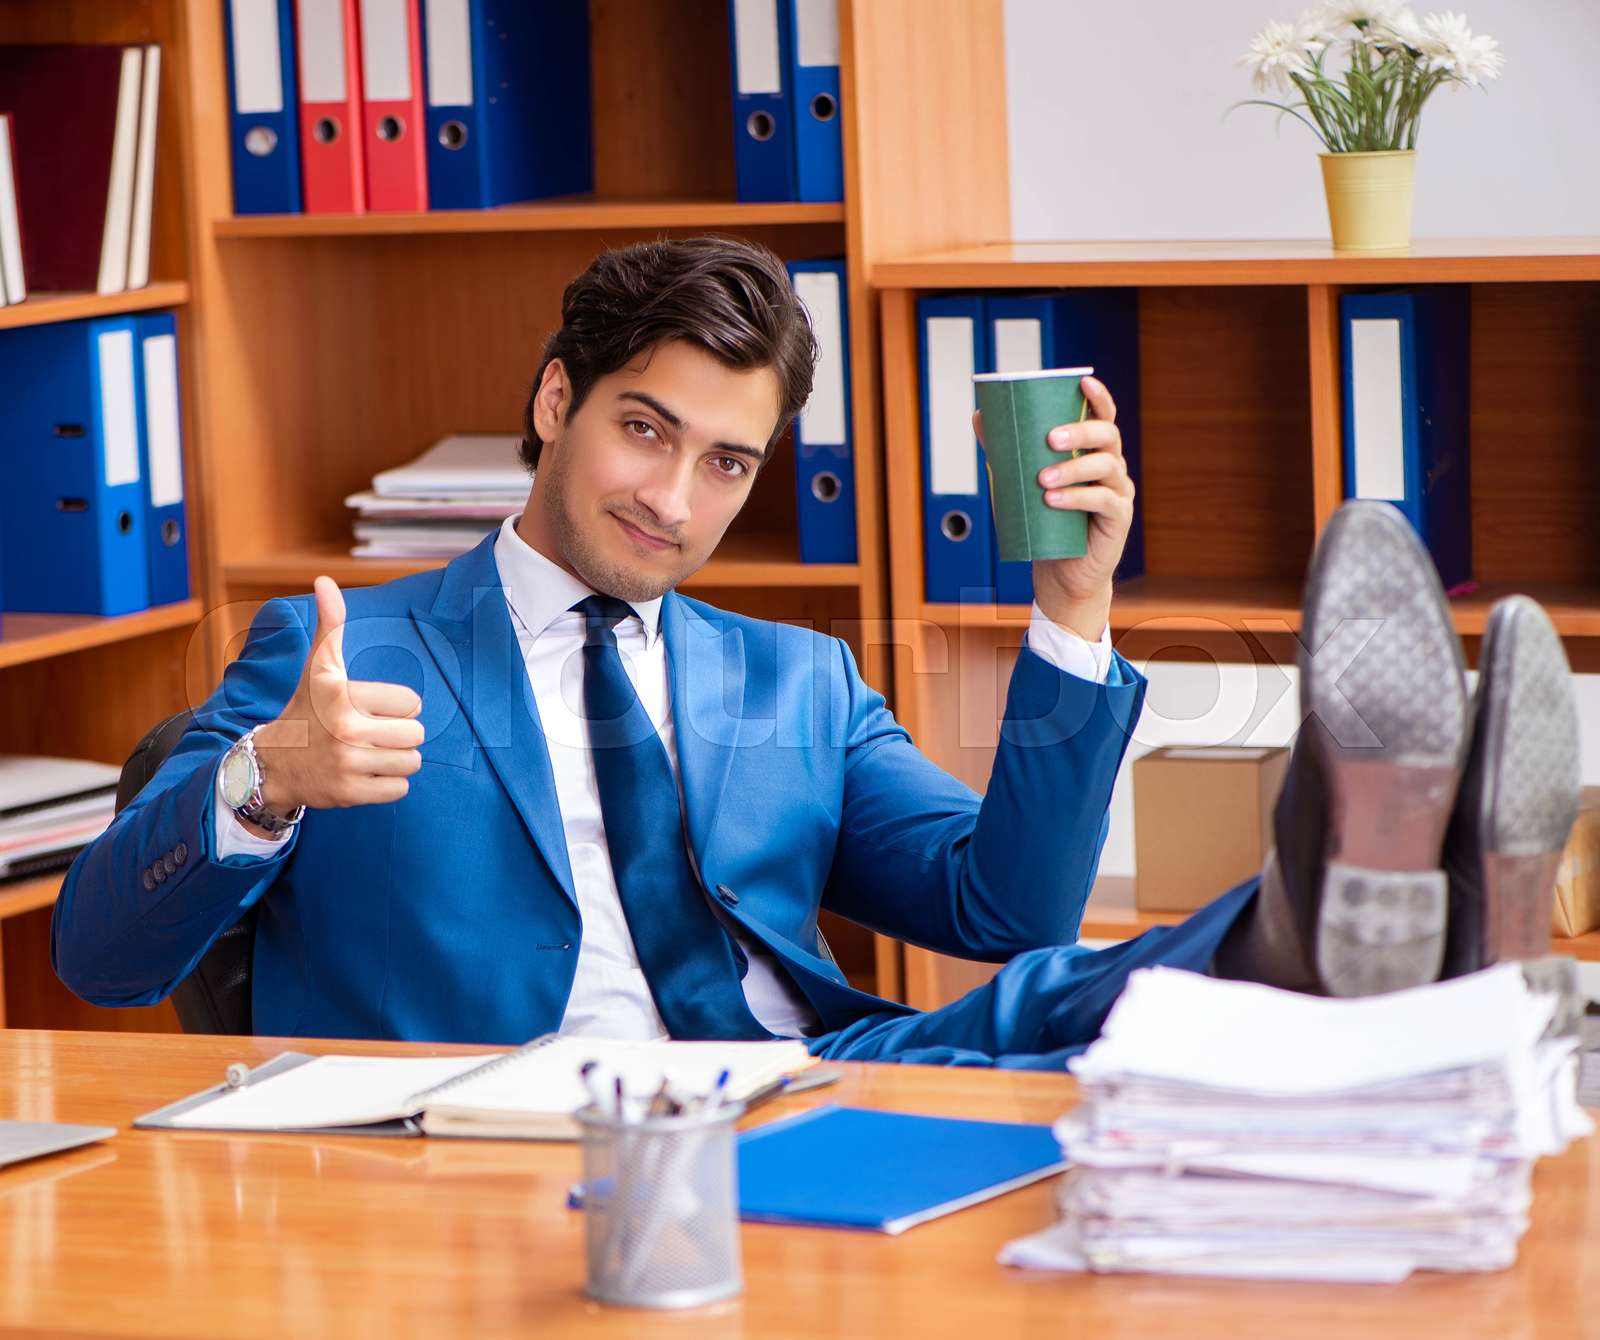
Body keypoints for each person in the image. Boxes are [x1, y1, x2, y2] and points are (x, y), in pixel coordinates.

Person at [51, 236, 1581, 1066]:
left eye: (726, 463)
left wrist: (1073, 613)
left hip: (793, 1088)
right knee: (1077, 1014)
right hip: (497, 1122)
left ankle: (1357, 891)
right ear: (553, 401)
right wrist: (263, 781)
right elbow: (101, 960)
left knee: (1062, 1001)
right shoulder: (338, 650)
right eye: (643, 430)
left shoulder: (792, 680)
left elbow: (1008, 908)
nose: (672, 497)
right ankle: (1350, 907)